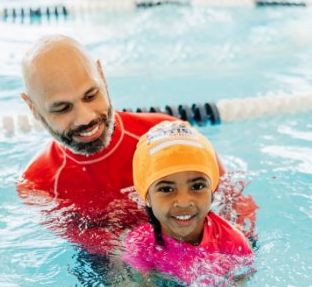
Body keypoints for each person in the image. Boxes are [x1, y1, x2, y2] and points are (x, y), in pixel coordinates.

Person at [18, 34, 257, 254]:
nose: (86, 117)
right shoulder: (39, 186)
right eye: (62, 108)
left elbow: (235, 208)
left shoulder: (172, 139)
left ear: (102, 75)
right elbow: (106, 255)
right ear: (33, 108)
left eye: (91, 95)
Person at [123, 120, 254, 287]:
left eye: (197, 186)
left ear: (212, 189)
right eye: (167, 189)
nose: (184, 202)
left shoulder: (233, 242)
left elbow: (241, 285)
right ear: (147, 196)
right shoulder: (140, 244)